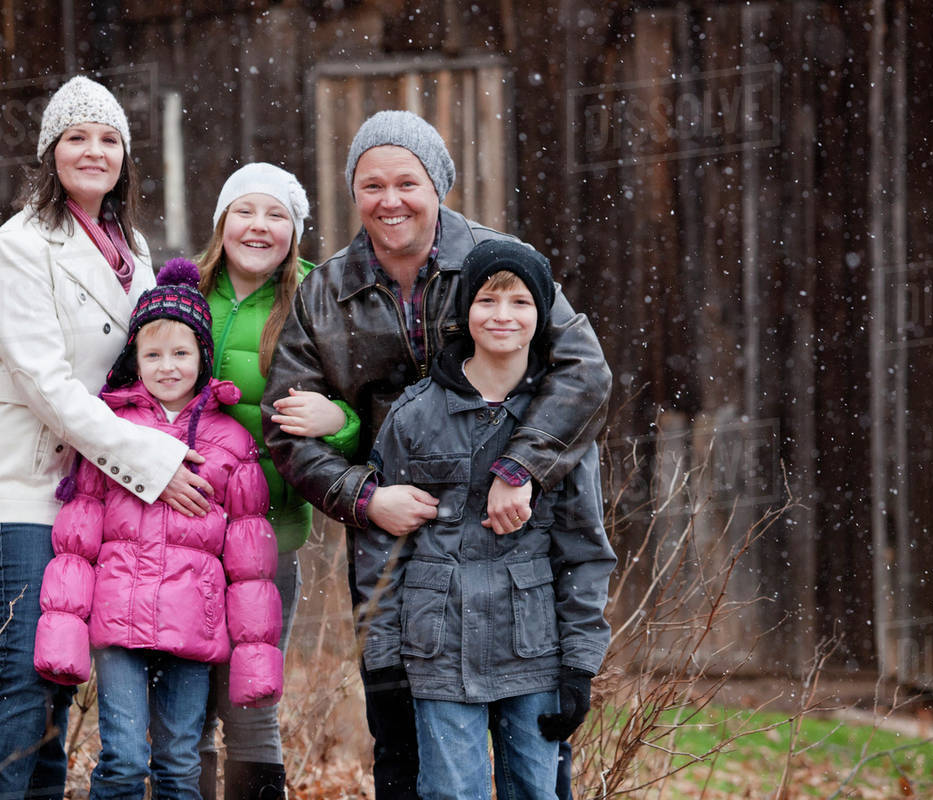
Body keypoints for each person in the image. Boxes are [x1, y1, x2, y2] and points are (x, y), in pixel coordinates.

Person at [262, 110, 612, 798]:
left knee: (535, 762)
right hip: (398, 550)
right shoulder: (324, 295)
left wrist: (523, 468)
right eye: (372, 185)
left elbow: (584, 372)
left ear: (439, 186)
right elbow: (288, 435)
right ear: (353, 192)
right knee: (404, 748)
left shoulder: (497, 267)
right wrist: (365, 498)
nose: (390, 201)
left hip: (510, 543)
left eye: (407, 182)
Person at [0, 76, 212, 799]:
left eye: (108, 138)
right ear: (50, 152)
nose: (93, 151)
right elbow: (52, 389)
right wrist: (155, 460)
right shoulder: (17, 249)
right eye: (76, 137)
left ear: (125, 157)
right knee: (29, 665)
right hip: (21, 482)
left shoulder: (128, 245)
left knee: (60, 669)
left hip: (95, 487)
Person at [355, 240, 617, 800]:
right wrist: (382, 665)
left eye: (520, 302)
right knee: (451, 792)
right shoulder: (413, 416)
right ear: (464, 311)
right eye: (488, 300)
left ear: (542, 316)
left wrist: (579, 665)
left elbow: (584, 552)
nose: (503, 315)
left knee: (535, 790)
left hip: (534, 652)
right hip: (437, 651)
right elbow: (379, 553)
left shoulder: (558, 429)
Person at [33, 258, 284, 800]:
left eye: (180, 353)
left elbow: (251, 562)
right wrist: (64, 631)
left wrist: (254, 655)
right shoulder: (110, 432)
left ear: (202, 356)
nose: (167, 366)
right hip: (118, 619)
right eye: (153, 354)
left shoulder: (231, 444)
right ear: (135, 360)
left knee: (178, 764)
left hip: (193, 626)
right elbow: (76, 543)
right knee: (123, 759)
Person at [195, 163, 360, 799]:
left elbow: (370, 410)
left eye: (277, 215)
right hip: (180, 529)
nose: (259, 227)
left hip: (268, 535)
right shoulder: (181, 290)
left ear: (295, 231)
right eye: (245, 211)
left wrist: (336, 421)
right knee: (183, 711)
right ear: (222, 222)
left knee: (250, 702)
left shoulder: (319, 297)